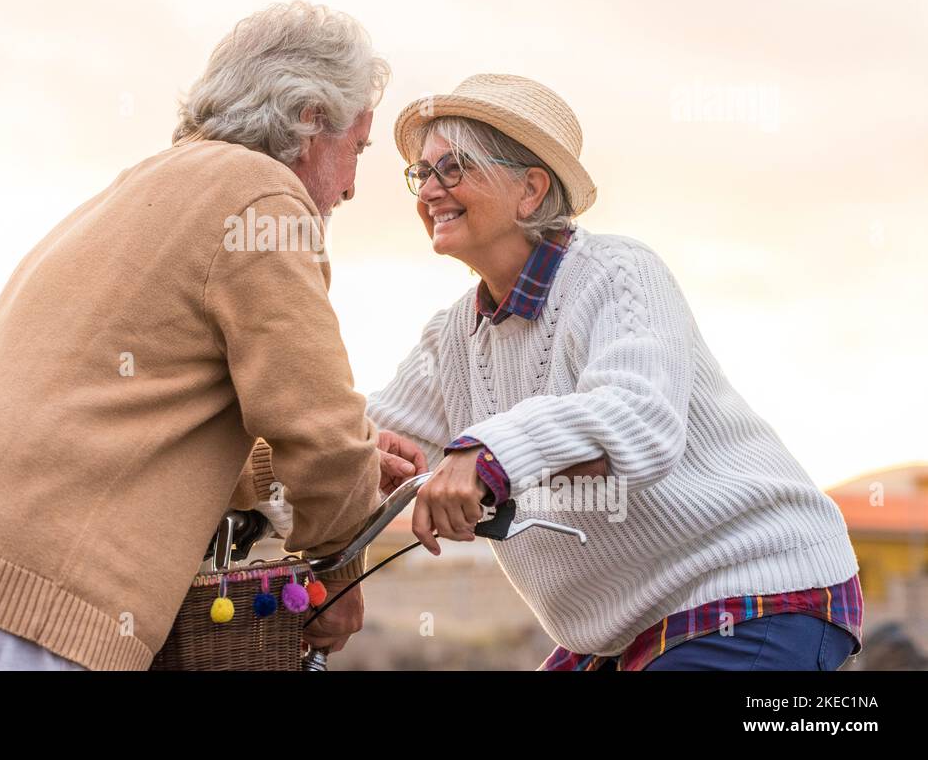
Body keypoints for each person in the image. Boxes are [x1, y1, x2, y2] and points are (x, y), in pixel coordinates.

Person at [0, 1, 423, 669]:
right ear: (311, 120)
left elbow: (138, 422)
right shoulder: (264, 200)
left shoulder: (140, 188)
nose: (349, 185)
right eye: (358, 148)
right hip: (18, 610)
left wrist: (335, 463)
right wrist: (338, 561)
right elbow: (317, 434)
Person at [365, 73, 863, 670]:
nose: (430, 191)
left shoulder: (618, 273)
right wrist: (272, 479)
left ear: (530, 190)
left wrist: (484, 454)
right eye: (422, 174)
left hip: (752, 586)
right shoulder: (450, 338)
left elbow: (635, 421)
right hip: (623, 625)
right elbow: (364, 447)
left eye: (454, 168)